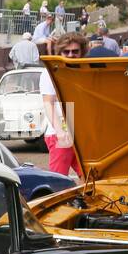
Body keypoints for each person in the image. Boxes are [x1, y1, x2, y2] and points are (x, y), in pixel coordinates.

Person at [40, 33, 85, 179]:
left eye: (75, 51)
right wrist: (60, 132)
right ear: (59, 52)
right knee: (58, 180)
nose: (71, 55)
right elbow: (49, 103)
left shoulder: (85, 70)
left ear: (82, 52)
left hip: (80, 133)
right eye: (66, 51)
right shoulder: (51, 72)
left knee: (92, 178)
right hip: (60, 133)